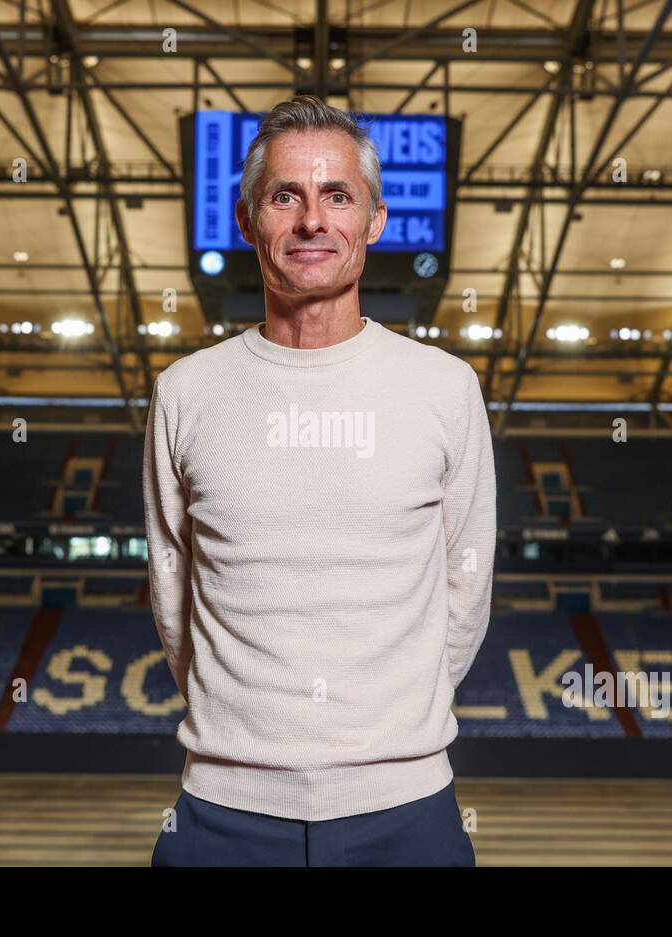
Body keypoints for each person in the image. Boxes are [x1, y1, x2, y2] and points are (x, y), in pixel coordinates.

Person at [143, 95, 494, 866]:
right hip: (221, 815)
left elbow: (465, 592)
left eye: (338, 195)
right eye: (285, 197)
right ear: (247, 221)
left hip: (408, 813)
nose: (312, 221)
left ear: (374, 219)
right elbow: (174, 597)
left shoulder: (444, 387)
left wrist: (388, 740)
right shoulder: (186, 393)